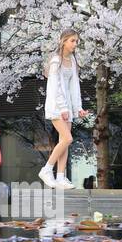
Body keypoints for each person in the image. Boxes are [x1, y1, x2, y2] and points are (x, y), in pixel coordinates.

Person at [40, 28, 88, 190]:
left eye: (76, 41)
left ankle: (60, 177)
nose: (75, 44)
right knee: (68, 139)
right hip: (56, 106)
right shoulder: (56, 61)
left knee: (64, 142)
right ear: (64, 41)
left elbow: (74, 87)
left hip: (67, 106)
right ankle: (46, 170)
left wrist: (78, 108)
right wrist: (62, 107)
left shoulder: (72, 61)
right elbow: (56, 86)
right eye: (72, 41)